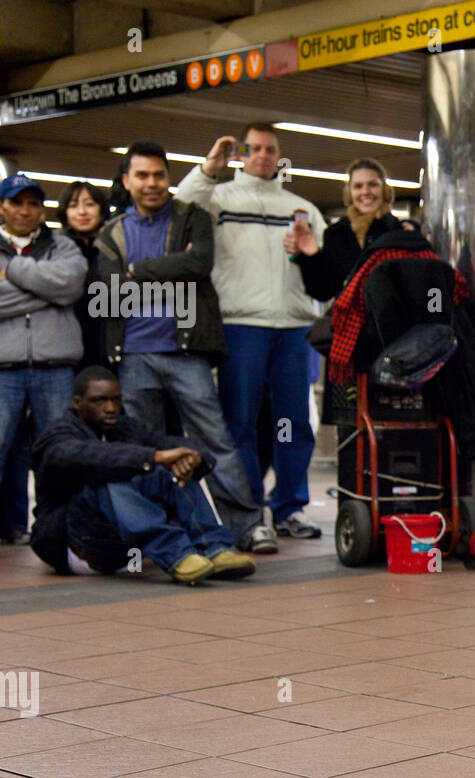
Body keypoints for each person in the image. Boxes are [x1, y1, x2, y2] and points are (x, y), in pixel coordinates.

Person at [93, 140, 270, 555]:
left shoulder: (192, 218)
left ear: (168, 178)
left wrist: (139, 271)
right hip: (132, 354)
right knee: (144, 448)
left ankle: (248, 527)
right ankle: (159, 532)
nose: (152, 183)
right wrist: (173, 273)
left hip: (185, 349)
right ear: (126, 181)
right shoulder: (111, 232)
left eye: (158, 175)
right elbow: (108, 295)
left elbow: (199, 265)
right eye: (142, 176)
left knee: (215, 440)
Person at [176, 123, 327, 544]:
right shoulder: (219, 198)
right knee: (239, 423)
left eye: (270, 149)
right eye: (254, 148)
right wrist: (209, 168)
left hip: (294, 326)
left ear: (280, 155)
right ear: (242, 153)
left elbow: (323, 266)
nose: (262, 155)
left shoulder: (301, 208)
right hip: (241, 324)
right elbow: (181, 208)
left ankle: (289, 509)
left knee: (294, 423)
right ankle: (247, 514)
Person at [0, 174, 87, 563]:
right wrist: (46, 294)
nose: (25, 211)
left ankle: (57, 528)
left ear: (41, 209)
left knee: (58, 453)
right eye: (16, 203)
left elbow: (71, 285)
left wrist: (12, 273)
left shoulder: (63, 246)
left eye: (32, 203)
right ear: (1, 207)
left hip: (56, 369)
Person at [31, 366, 255, 584]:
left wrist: (191, 456)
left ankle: (213, 548)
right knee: (109, 474)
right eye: (100, 401)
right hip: (78, 549)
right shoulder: (58, 434)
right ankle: (175, 554)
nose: (111, 408)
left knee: (174, 469)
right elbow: (82, 455)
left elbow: (169, 444)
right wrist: (154, 457)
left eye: (116, 400)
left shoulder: (125, 427)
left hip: (126, 548)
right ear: (77, 403)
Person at [287, 157, 400, 302]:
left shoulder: (400, 232)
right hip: (350, 322)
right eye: (358, 186)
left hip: (393, 322)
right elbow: (322, 292)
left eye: (373, 185)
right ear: (349, 193)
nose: (365, 192)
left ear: (385, 190)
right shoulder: (336, 234)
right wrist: (311, 256)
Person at [59, 180, 111, 370]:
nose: (82, 212)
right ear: (65, 212)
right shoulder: (54, 251)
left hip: (110, 343)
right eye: (73, 206)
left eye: (90, 204)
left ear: (101, 209)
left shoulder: (117, 247)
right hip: (66, 345)